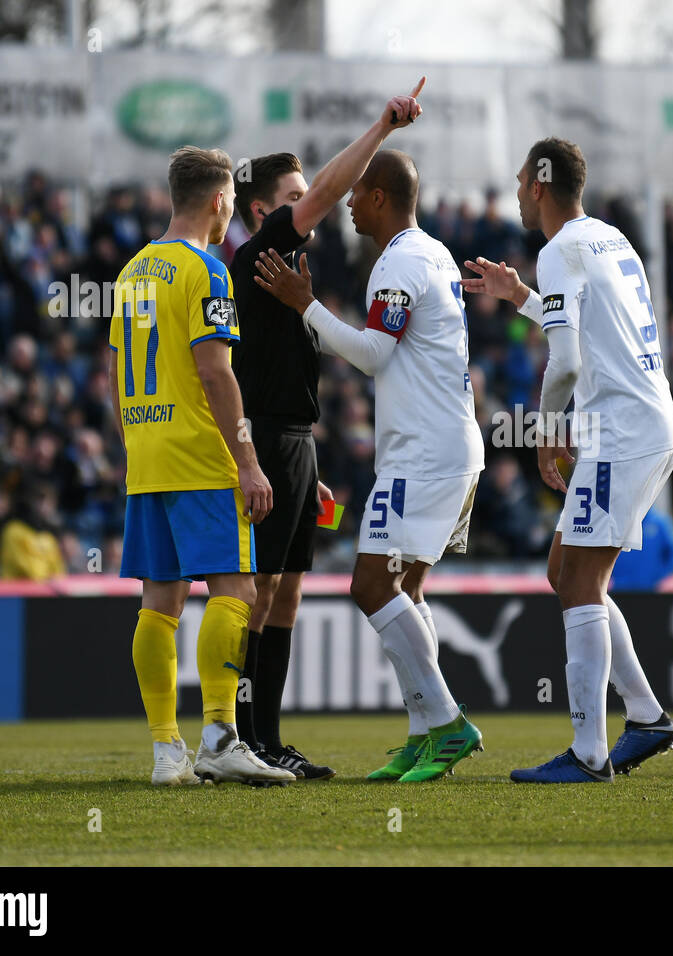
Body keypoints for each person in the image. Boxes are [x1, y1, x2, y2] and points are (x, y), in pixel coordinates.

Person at [253, 149, 483, 783]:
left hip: (425, 454)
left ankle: (447, 721)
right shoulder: (430, 251)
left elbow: (375, 354)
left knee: (369, 586)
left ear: (380, 196)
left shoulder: (399, 262)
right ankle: (422, 734)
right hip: (448, 446)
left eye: (356, 193)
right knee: (405, 590)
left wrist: (306, 305)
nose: (347, 203)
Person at [462, 137, 673, 783]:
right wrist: (523, 297)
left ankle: (589, 755)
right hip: (643, 423)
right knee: (566, 570)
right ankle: (646, 718)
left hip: (621, 432)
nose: (516, 189)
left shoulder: (559, 249)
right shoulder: (609, 238)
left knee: (580, 583)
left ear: (538, 185)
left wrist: (546, 428)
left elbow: (569, 361)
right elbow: (592, 331)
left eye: (520, 178)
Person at [226, 80, 425, 781]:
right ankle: (239, 739)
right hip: (267, 439)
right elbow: (332, 191)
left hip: (295, 440)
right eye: (293, 198)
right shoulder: (254, 257)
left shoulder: (283, 268)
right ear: (260, 211)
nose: (310, 205)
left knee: (285, 592)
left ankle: (266, 740)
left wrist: (308, 460)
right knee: (256, 592)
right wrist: (380, 129)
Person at [109, 146, 292, 787]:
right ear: (219, 200)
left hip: (149, 456)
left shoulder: (133, 271)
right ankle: (219, 736)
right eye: (233, 204)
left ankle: (166, 752)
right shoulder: (207, 271)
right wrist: (248, 462)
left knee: (159, 604)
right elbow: (216, 371)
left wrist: (135, 443)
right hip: (201, 455)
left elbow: (113, 375)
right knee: (236, 591)